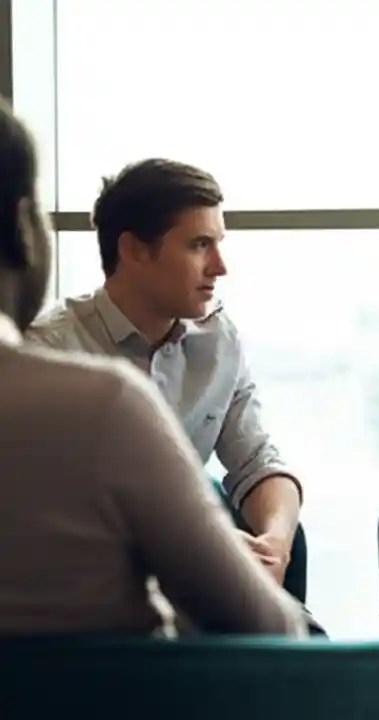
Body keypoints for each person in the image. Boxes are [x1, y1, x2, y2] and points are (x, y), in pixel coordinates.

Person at [0, 100, 305, 638]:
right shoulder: (67, 368)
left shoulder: (219, 341)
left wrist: (274, 543)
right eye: (198, 245)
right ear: (134, 251)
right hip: (137, 642)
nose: (221, 267)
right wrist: (211, 546)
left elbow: (256, 456)